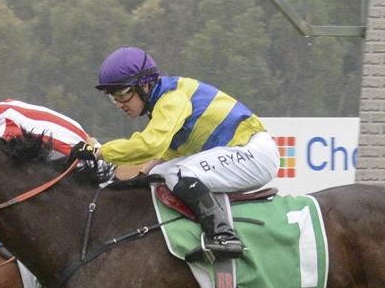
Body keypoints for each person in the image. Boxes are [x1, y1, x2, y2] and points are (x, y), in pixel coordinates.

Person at [88, 46, 279, 260]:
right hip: (240, 151)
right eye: (112, 97)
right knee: (159, 174)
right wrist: (142, 176)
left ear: (145, 84)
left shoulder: (172, 99)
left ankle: (224, 236)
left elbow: (150, 145)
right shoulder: (161, 103)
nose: (119, 104)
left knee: (180, 174)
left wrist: (99, 152)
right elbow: (161, 155)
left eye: (123, 94)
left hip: (255, 152)